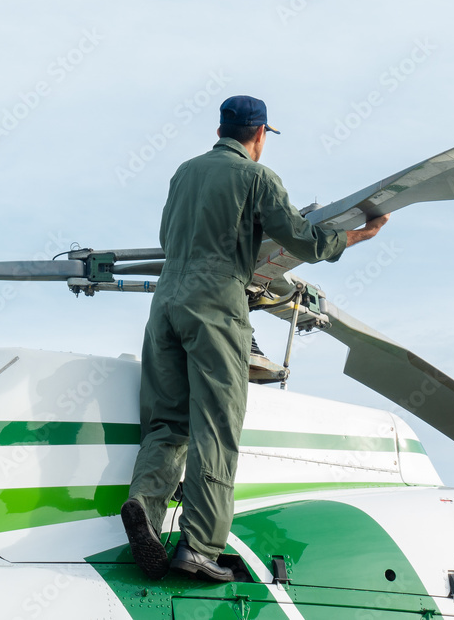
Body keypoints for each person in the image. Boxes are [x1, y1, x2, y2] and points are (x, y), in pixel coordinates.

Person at [121, 95, 389, 582]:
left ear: (222, 128)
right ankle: (199, 547)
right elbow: (301, 238)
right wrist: (355, 237)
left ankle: (143, 505)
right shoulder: (257, 177)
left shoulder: (184, 173)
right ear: (260, 134)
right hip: (216, 306)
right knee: (216, 427)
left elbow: (167, 238)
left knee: (167, 423)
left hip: (164, 306)